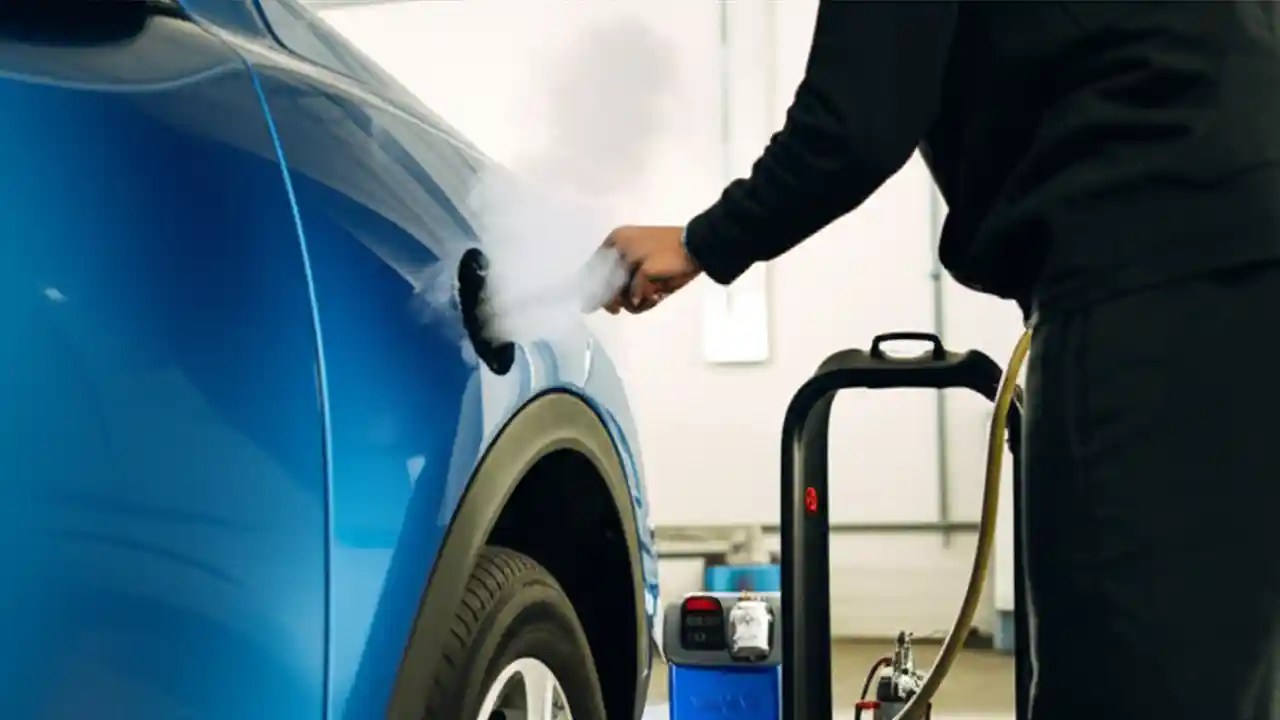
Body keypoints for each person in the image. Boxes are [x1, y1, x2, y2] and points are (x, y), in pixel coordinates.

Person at [601, 3, 1280, 719]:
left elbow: (855, 125)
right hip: (1242, 254)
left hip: (1150, 278)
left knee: (1128, 678)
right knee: (1218, 669)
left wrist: (702, 242)